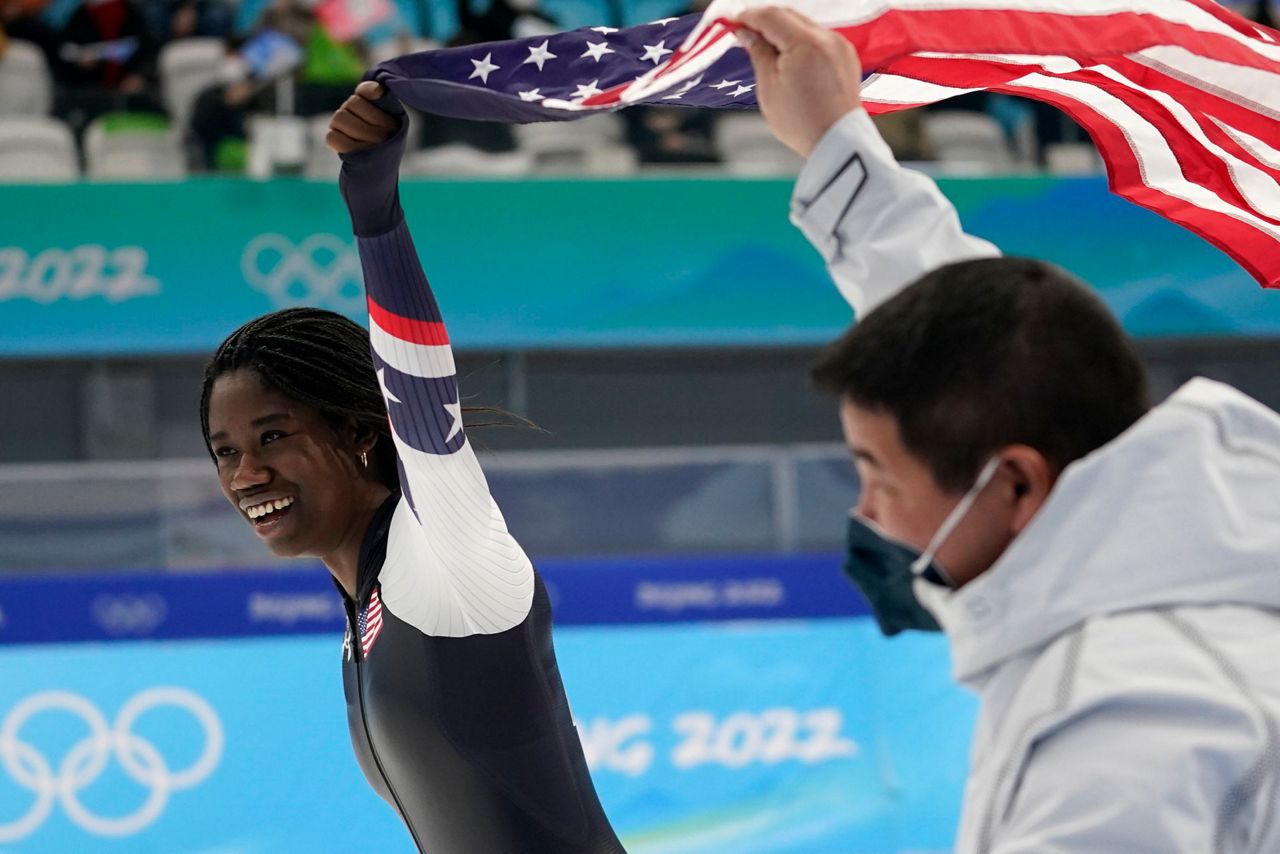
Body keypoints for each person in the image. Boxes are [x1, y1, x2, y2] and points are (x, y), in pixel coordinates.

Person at [738, 6, 1280, 852]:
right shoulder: (1191, 543)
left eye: (880, 475)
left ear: (1017, 483)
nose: (866, 514)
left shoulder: (1123, 733)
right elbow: (977, 339)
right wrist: (838, 141)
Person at [200, 80, 624, 853]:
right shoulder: (361, 610)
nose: (245, 474)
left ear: (361, 431)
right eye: (225, 451)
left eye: (272, 437)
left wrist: (376, 213)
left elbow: (424, 402)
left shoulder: (443, 557)